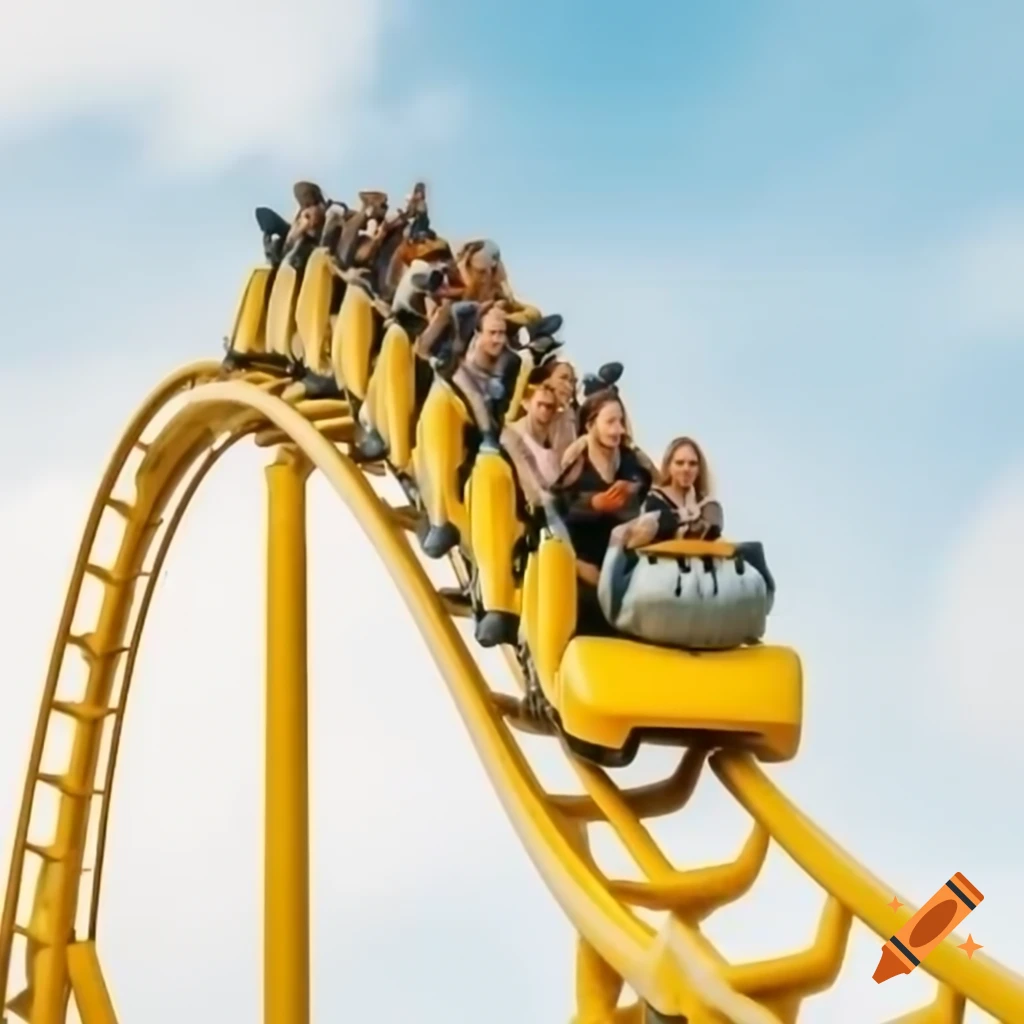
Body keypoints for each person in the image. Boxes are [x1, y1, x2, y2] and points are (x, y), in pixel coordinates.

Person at [551, 389, 652, 635]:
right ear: (590, 424)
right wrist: (593, 503)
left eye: (620, 422)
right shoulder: (576, 461)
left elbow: (648, 480)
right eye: (610, 422)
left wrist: (632, 488)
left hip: (621, 565)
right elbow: (556, 506)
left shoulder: (627, 459)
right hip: (584, 566)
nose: (618, 430)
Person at [643, 436, 723, 542]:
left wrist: (692, 505)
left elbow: (711, 531)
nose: (686, 469)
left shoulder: (709, 505)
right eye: (679, 463)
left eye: (692, 464)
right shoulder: (653, 498)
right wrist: (688, 514)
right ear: (669, 466)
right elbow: (660, 528)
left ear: (699, 469)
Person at [501, 382, 568, 505]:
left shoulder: (556, 439)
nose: (545, 410)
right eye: (540, 404)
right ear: (526, 403)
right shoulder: (513, 435)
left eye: (550, 406)